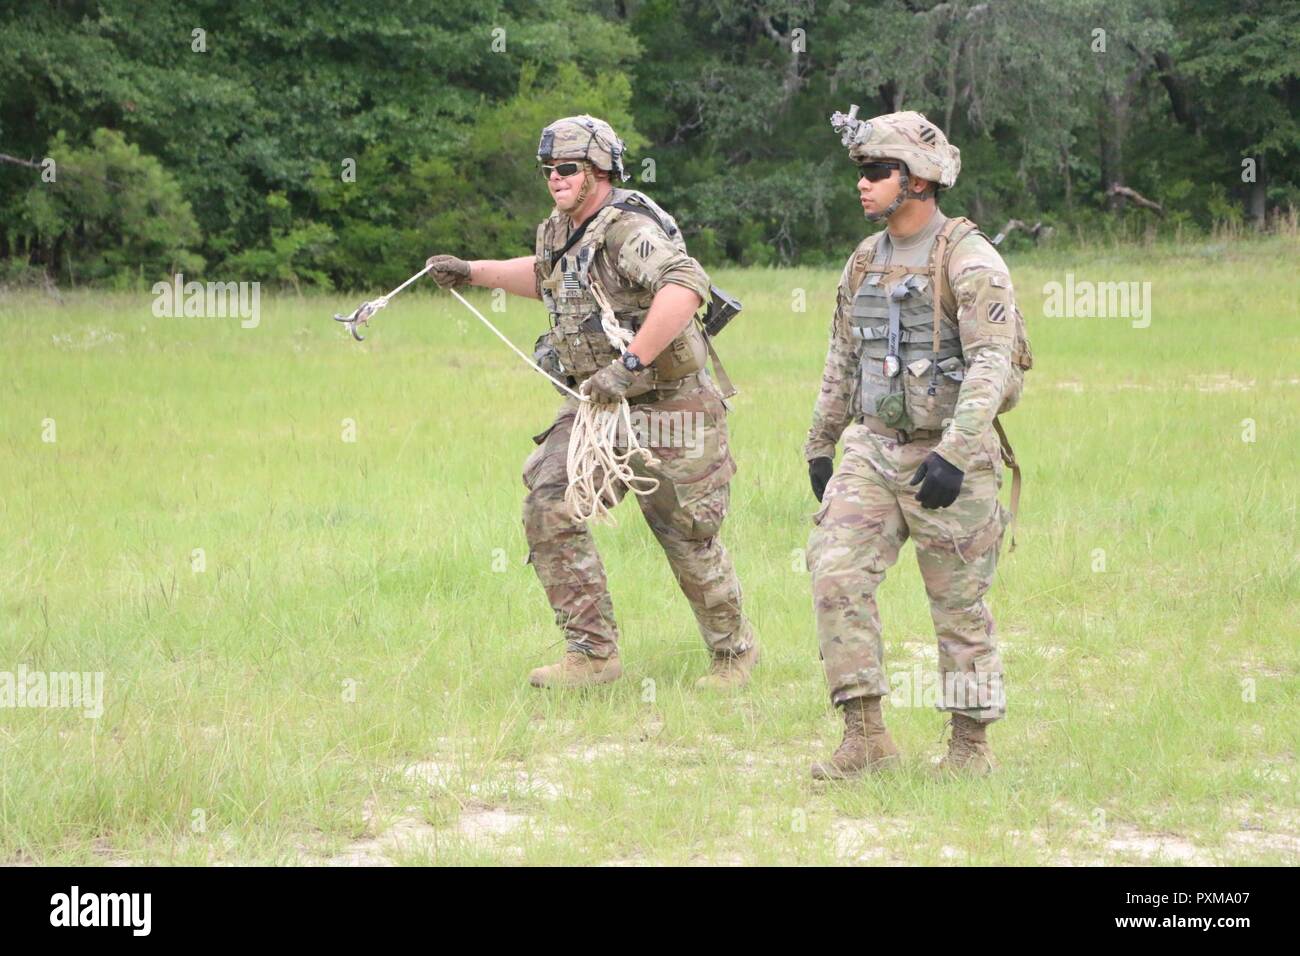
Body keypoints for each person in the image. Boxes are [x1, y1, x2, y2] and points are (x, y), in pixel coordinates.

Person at [426, 115, 756, 690]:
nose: (554, 179)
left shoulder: (629, 229)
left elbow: (685, 285)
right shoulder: (556, 230)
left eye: (567, 169)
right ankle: (593, 655)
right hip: (598, 407)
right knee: (550, 503)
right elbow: (546, 275)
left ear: (599, 171)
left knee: (686, 533)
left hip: (671, 405)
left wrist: (630, 365)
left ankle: (733, 654)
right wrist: (472, 272)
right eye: (547, 169)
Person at [804, 107, 1033, 778]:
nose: (863, 184)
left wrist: (957, 453)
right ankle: (865, 736)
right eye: (861, 171)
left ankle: (969, 749)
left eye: (877, 172)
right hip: (873, 447)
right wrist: (821, 443)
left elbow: (992, 364)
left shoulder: (971, 259)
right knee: (834, 572)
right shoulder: (862, 262)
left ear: (920, 181)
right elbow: (841, 357)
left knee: (958, 603)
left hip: (949, 454)